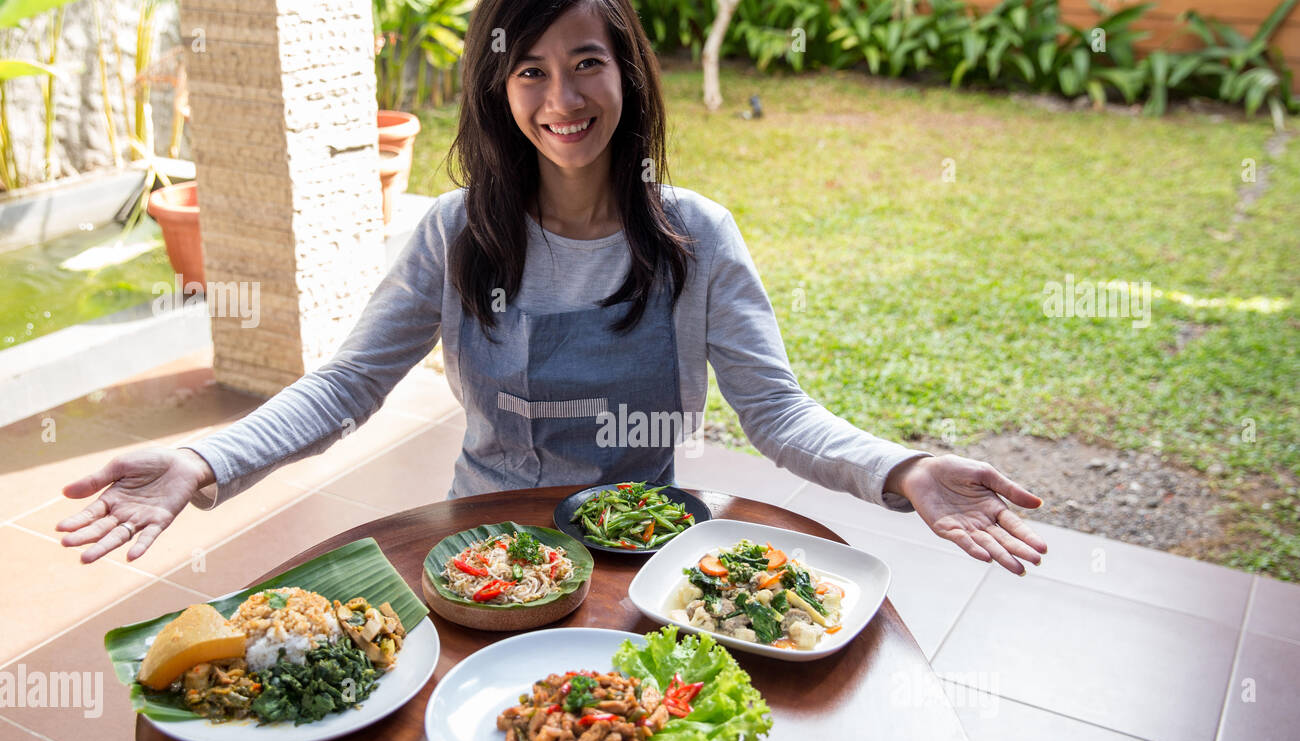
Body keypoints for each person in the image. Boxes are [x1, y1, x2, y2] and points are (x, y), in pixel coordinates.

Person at [57, 0, 1047, 576]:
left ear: (628, 74)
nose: (561, 100)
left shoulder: (691, 237)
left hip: (641, 563)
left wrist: (904, 469)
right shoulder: (455, 233)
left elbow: (779, 415)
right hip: (479, 559)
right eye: (528, 72)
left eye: (585, 64)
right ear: (498, 91)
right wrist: (204, 458)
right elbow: (344, 387)